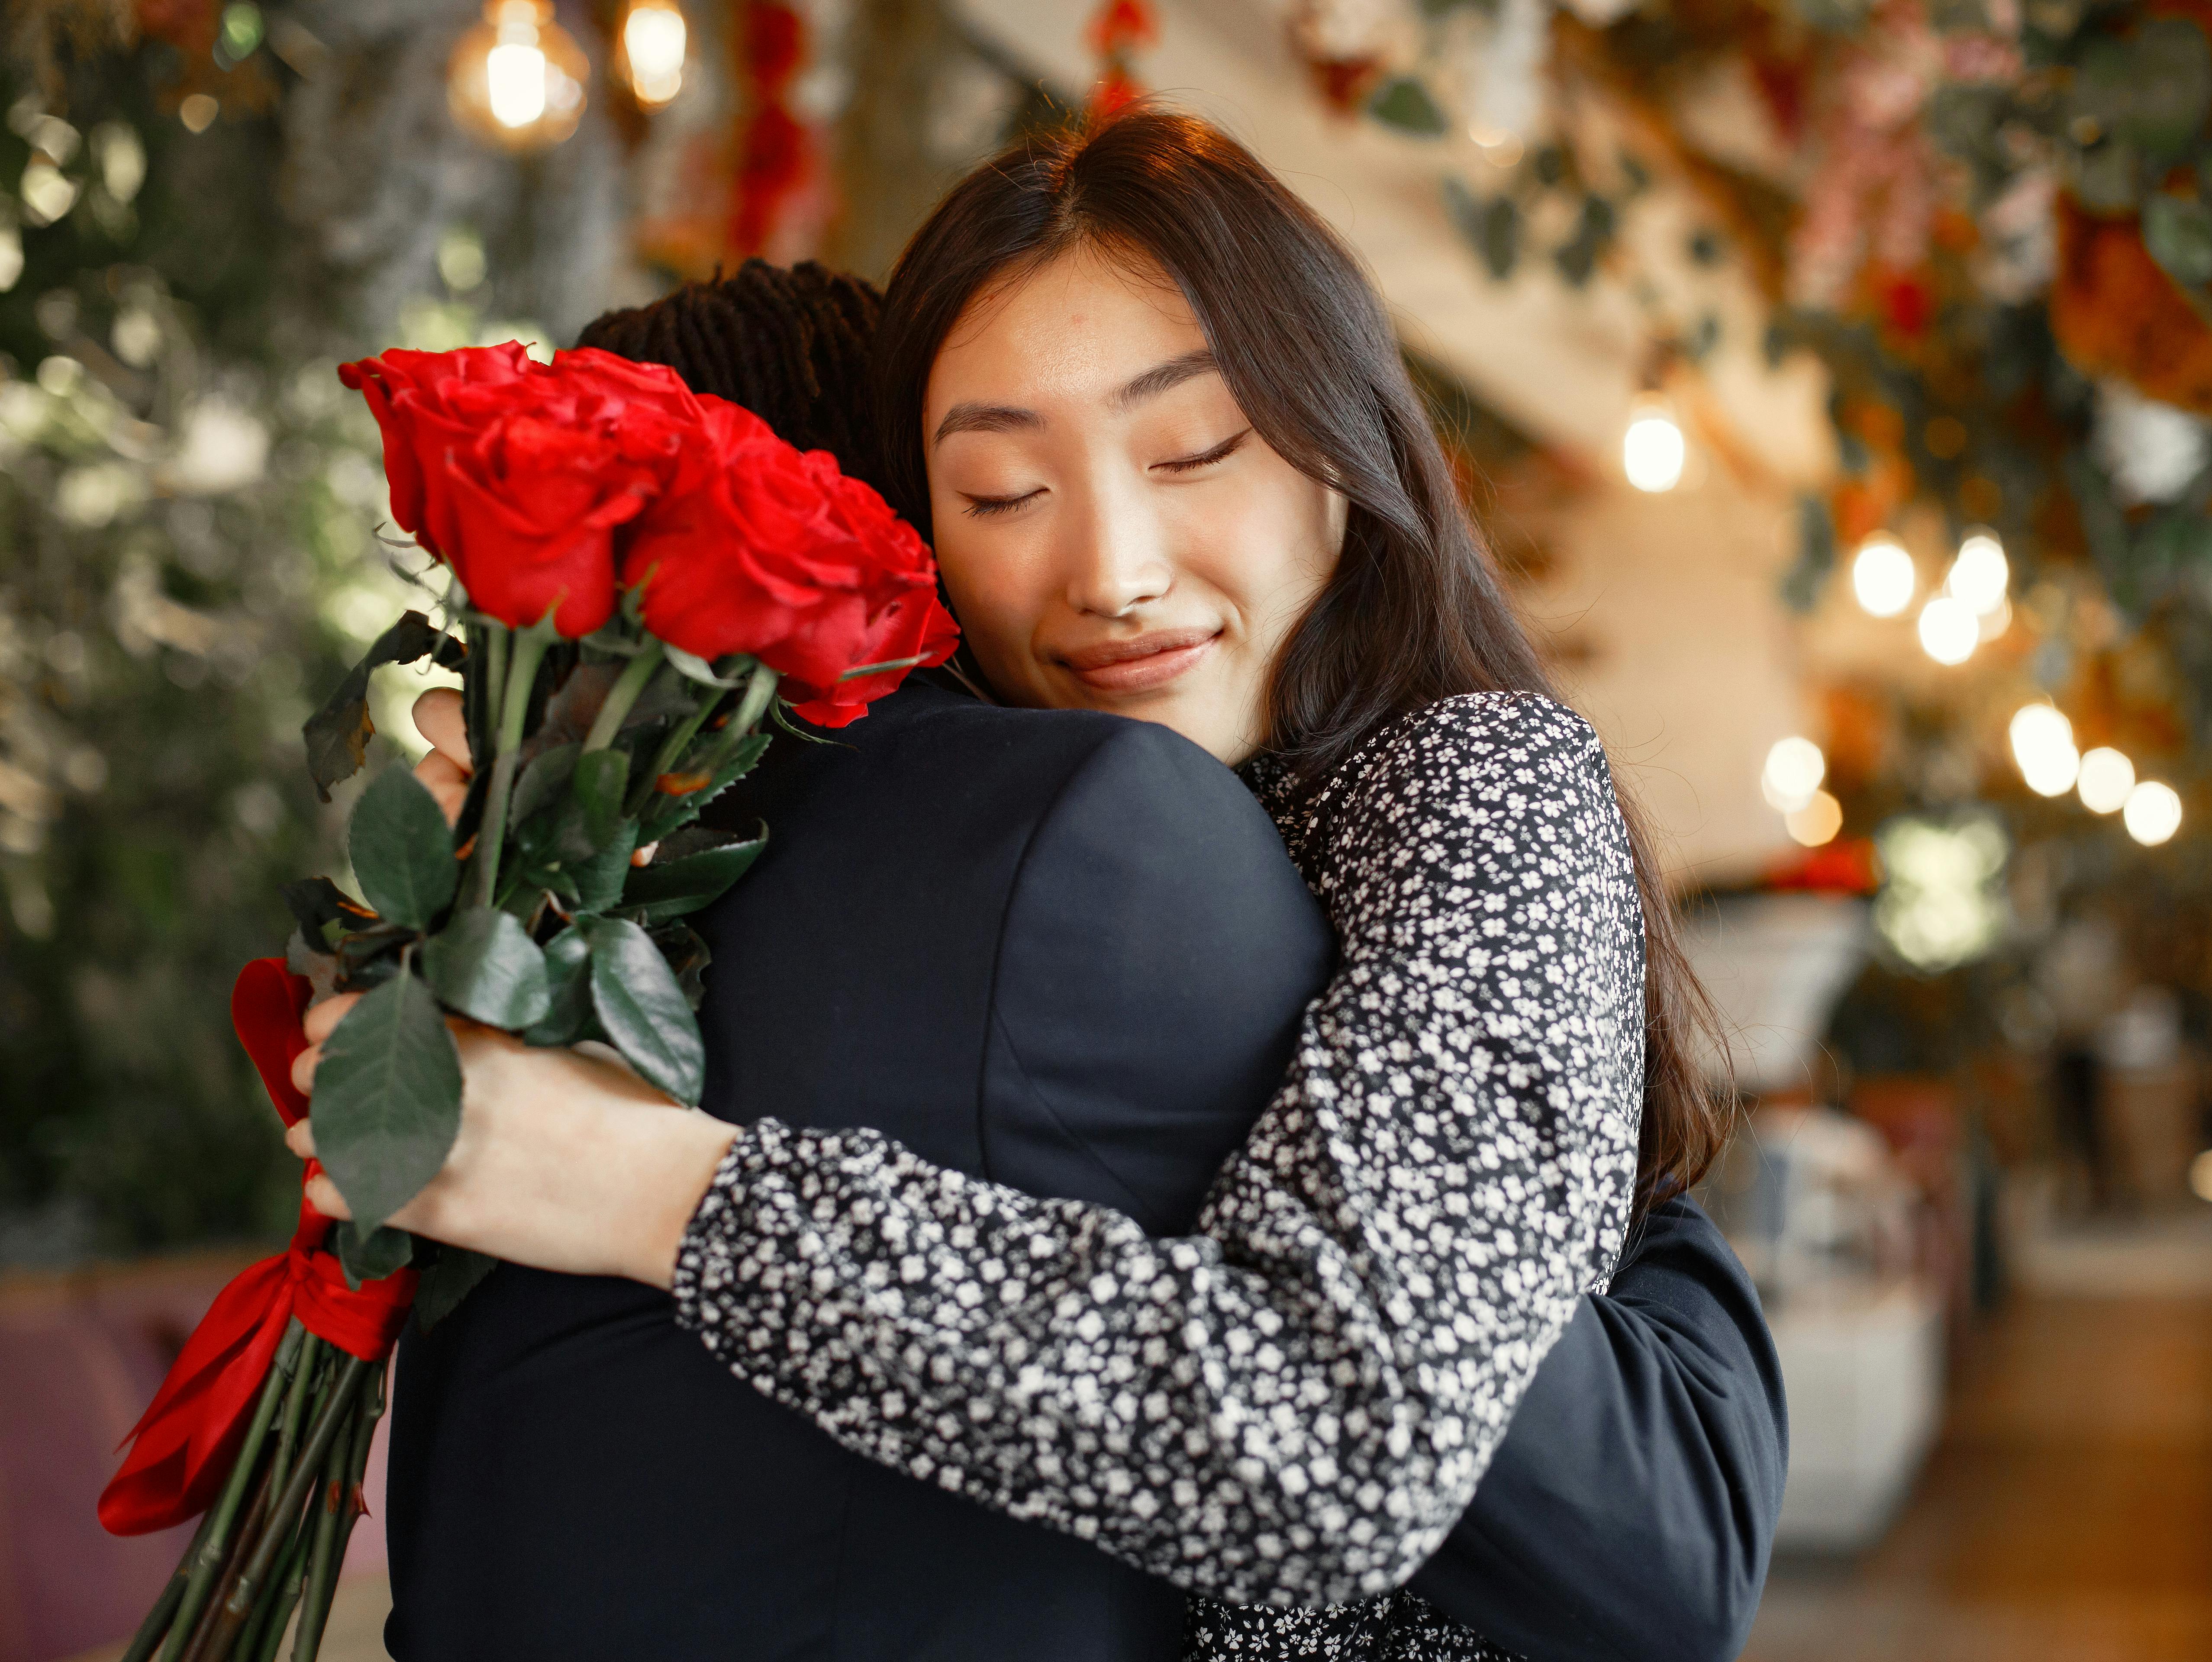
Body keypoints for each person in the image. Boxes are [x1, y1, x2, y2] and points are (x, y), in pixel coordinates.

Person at [296, 113, 1783, 1658]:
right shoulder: (1032, 835)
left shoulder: (1470, 781)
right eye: (1004, 492)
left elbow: (1343, 1442)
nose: (1114, 569)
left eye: (1195, 451)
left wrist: (648, 1191)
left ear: (1350, 448)